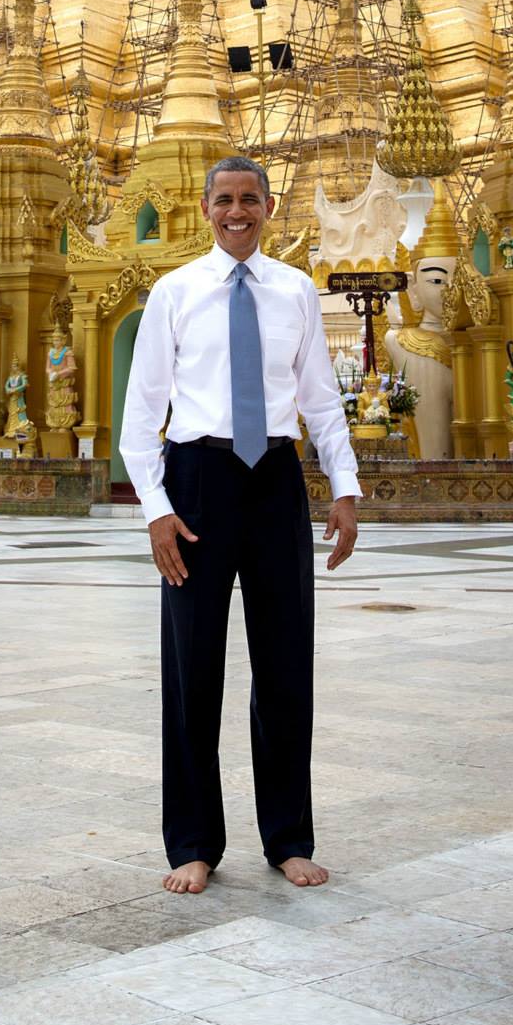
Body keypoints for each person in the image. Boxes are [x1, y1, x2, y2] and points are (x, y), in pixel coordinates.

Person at [119, 155, 360, 897]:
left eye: (249, 200)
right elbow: (141, 413)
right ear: (204, 207)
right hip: (197, 480)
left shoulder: (295, 291)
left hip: (275, 480)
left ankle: (288, 835)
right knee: (193, 669)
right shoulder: (174, 291)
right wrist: (158, 510)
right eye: (223, 200)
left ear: (269, 205)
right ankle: (193, 842)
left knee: (286, 665)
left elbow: (319, 398)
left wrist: (343, 487)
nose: (237, 212)